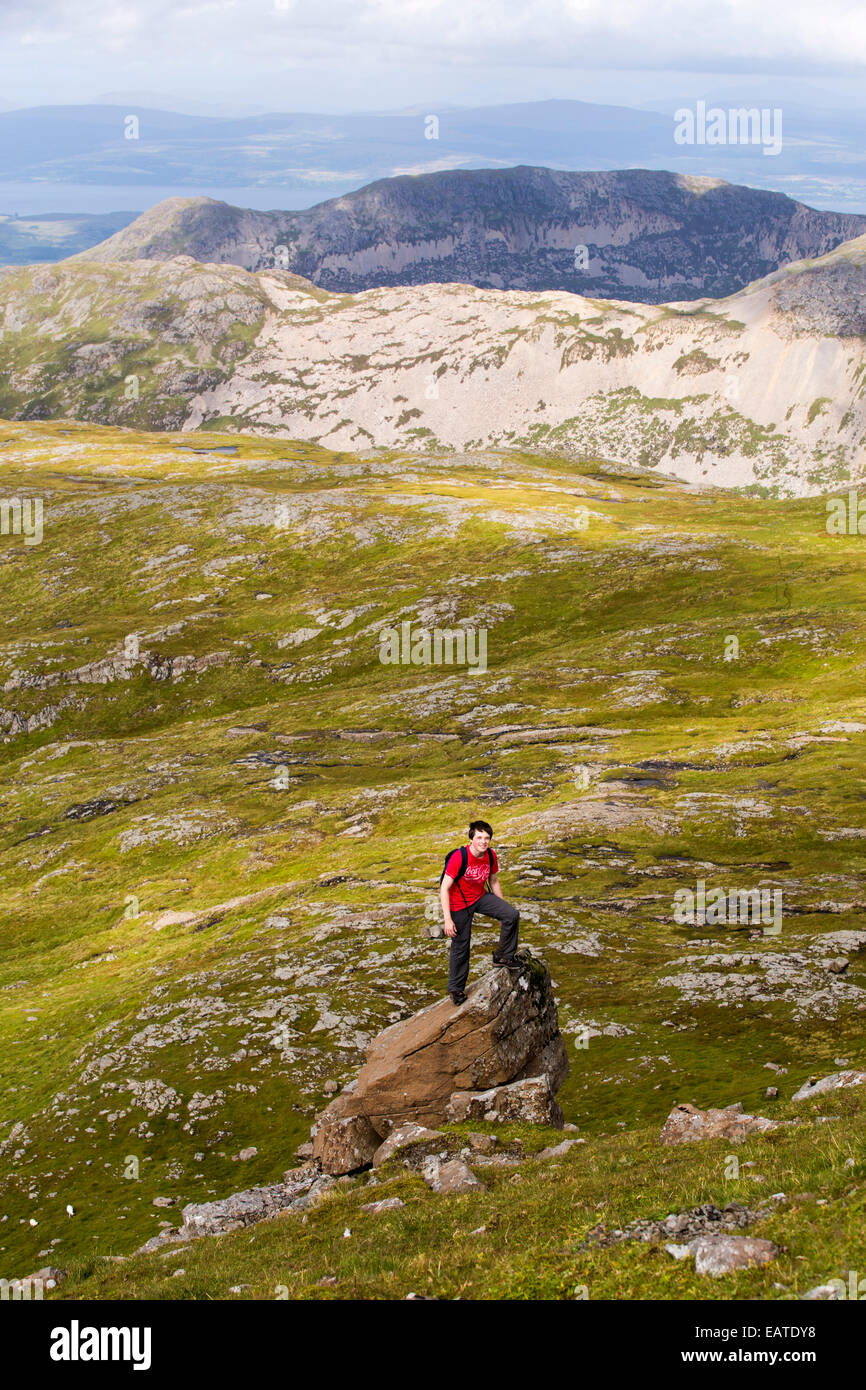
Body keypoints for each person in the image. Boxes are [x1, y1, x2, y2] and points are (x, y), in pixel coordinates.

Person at [440, 819, 521, 1006]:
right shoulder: (459, 858)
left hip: (479, 897)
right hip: (459, 903)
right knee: (461, 945)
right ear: (471, 839)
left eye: (487, 838)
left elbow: (493, 881)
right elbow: (444, 888)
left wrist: (502, 909)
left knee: (511, 915)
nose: (483, 842)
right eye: (479, 837)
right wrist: (447, 919)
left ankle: (503, 956)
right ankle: (456, 989)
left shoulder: (491, 855)